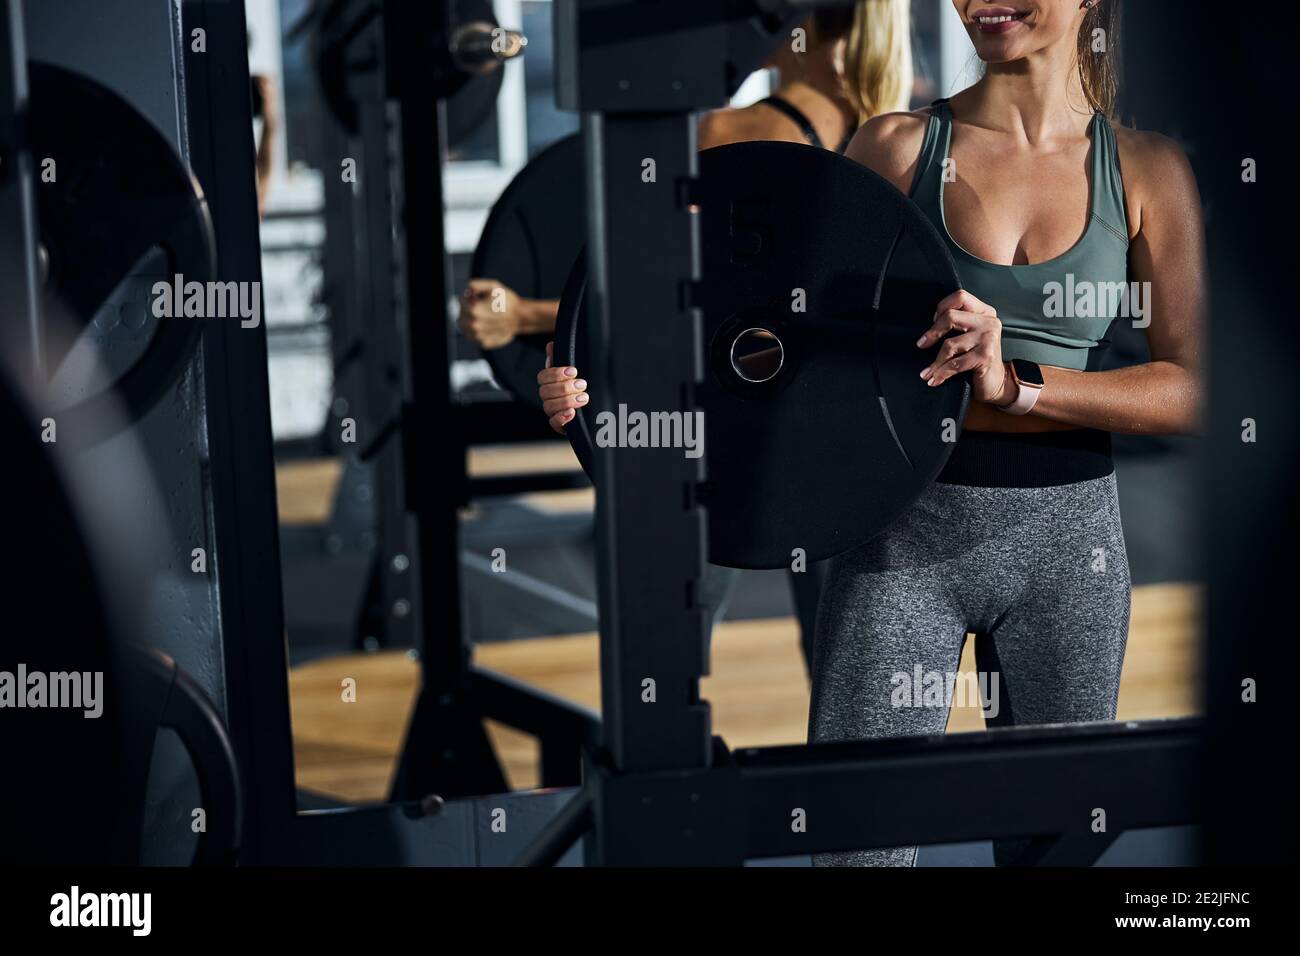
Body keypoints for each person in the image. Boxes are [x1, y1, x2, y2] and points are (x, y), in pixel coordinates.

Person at [545, 0, 1205, 867]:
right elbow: (761, 333)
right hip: (899, 543)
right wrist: (604, 386)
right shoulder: (897, 148)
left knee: (1058, 847)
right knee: (859, 849)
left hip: (1070, 551)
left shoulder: (1147, 169)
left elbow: (1191, 387)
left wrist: (1021, 385)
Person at [526, 0, 914, 667]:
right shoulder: (901, 142)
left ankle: (669, 763)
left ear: (812, 23)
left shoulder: (735, 128)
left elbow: (656, 289)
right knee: (848, 669)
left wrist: (524, 318)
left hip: (719, 425)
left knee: (667, 661)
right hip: (847, 426)